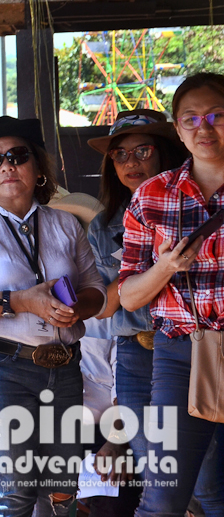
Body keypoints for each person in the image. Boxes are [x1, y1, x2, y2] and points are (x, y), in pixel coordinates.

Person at [0, 116, 106, 517]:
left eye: (17, 156)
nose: (6, 166)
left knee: (61, 488)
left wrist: (76, 308)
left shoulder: (65, 224)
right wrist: (21, 301)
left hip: (63, 366)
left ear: (37, 168)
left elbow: (97, 291)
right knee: (14, 492)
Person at [119, 73, 224, 517]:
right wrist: (165, 267)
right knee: (163, 497)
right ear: (178, 130)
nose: (205, 128)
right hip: (182, 353)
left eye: (218, 115)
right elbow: (127, 296)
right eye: (192, 118)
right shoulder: (151, 196)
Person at [83, 109, 192, 510]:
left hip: (187, 345)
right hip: (132, 351)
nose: (131, 163)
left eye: (142, 151)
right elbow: (106, 304)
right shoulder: (105, 224)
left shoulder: (191, 207)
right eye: (120, 155)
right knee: (156, 471)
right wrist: (148, 270)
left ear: (166, 152)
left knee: (203, 471)